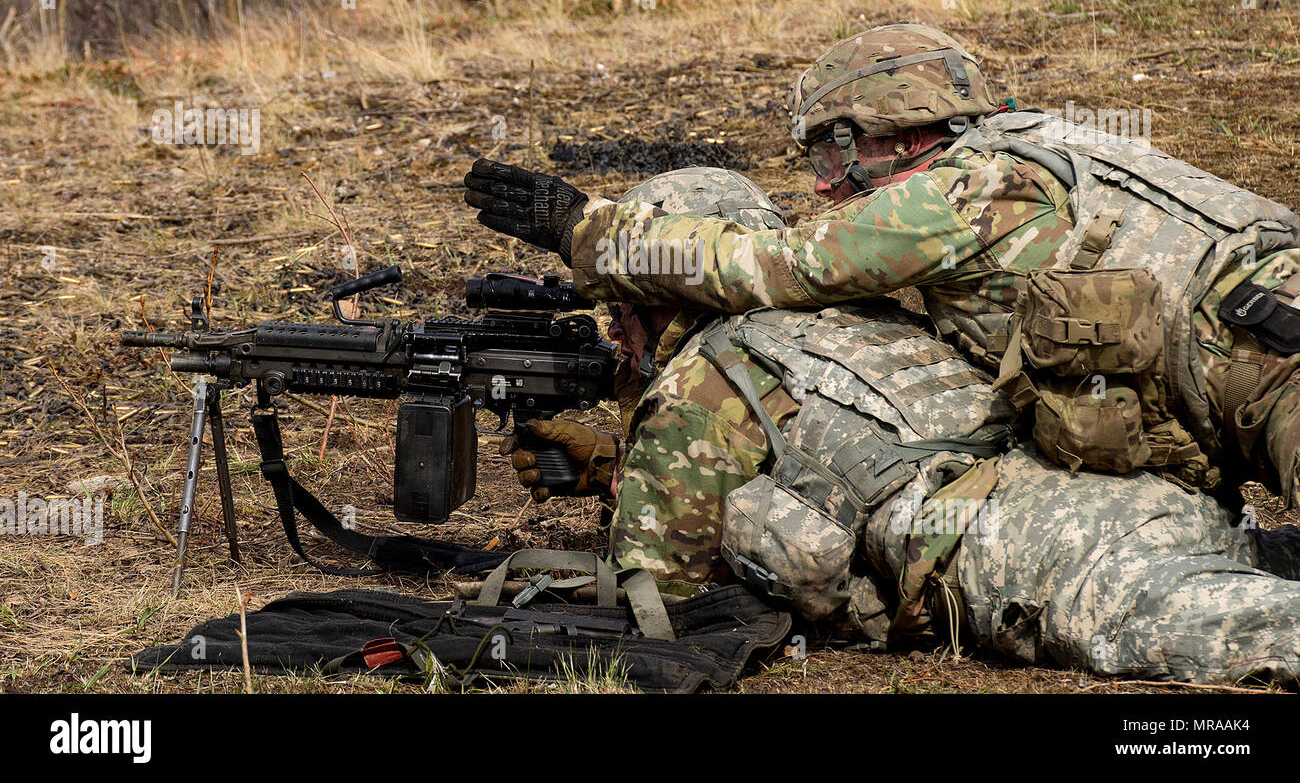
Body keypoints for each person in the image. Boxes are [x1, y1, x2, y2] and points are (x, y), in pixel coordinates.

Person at [498, 168, 1300, 686]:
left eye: (619, 310)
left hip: (1034, 557)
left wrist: (635, 470)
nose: (613, 334)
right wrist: (617, 466)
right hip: (1127, 497)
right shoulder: (868, 310)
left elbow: (660, 597)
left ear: (660, 293)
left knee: (1256, 637)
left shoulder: (696, 388)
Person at [464, 23, 1300, 515]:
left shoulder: (951, 195)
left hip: (1274, 376)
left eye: (835, 148)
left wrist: (589, 230)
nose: (825, 182)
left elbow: (769, 265)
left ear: (897, 129)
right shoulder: (1053, 142)